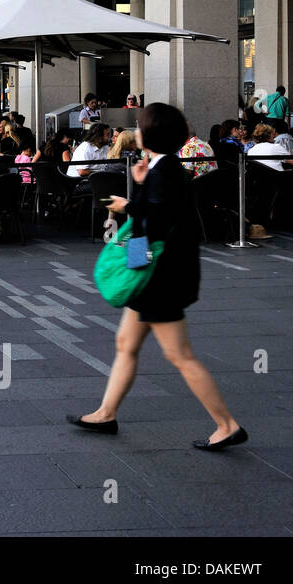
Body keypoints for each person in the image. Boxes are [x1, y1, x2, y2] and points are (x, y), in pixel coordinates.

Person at [70, 102, 247, 451]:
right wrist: (140, 186)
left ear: (151, 133)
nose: (135, 129)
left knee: (180, 354)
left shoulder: (165, 171)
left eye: (140, 124)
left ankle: (226, 424)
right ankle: (106, 412)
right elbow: (159, 212)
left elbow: (159, 220)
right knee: (126, 343)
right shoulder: (163, 167)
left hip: (161, 279)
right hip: (156, 274)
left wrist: (127, 205)